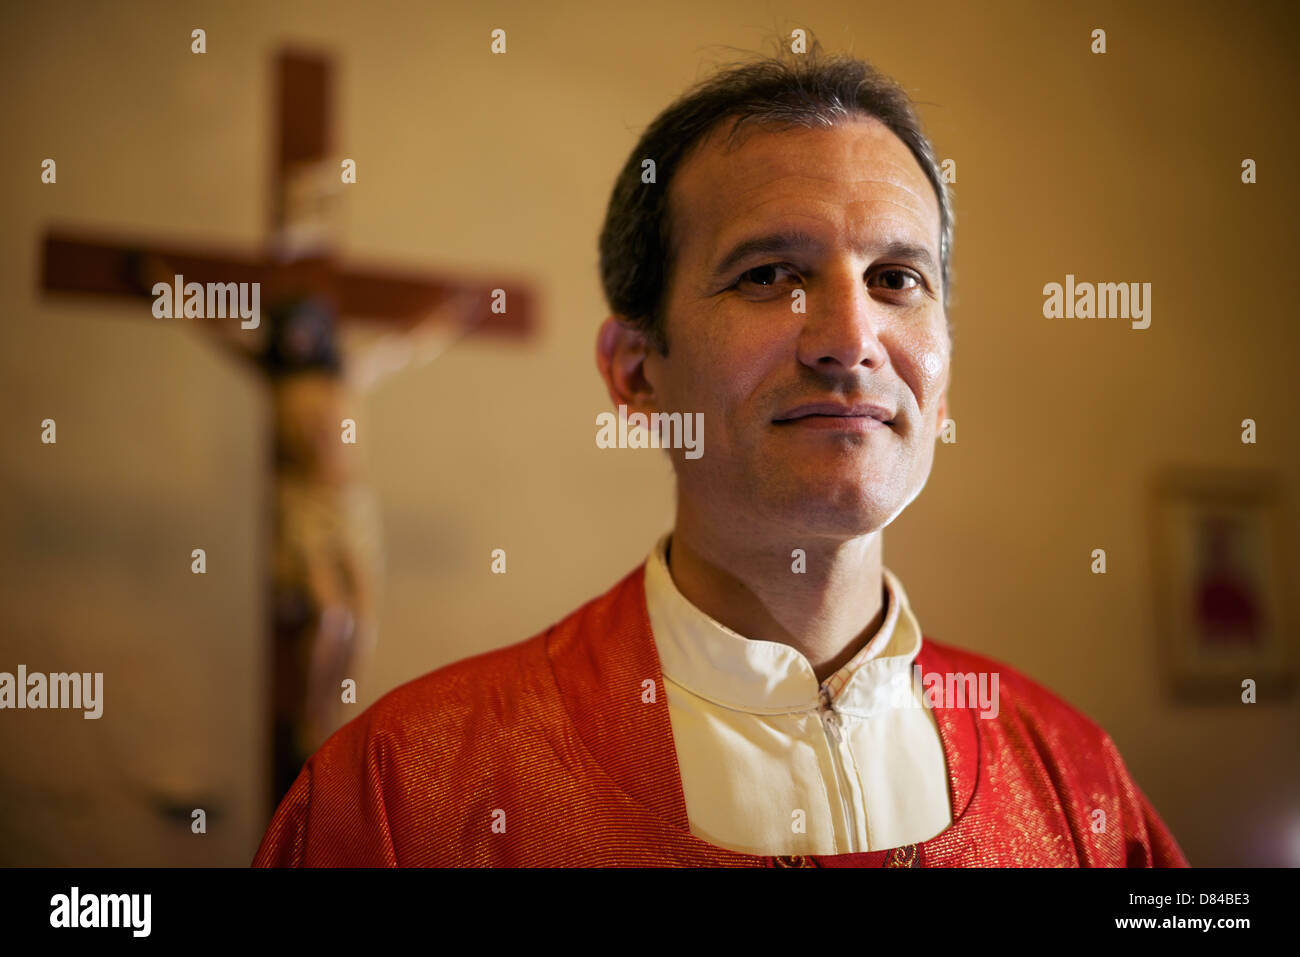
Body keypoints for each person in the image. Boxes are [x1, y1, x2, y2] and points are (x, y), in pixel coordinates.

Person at [252, 47, 1188, 867]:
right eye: (768, 275)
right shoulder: (406, 791)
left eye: (897, 279)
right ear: (635, 372)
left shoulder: (1077, 778)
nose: (848, 338)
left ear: (944, 372)